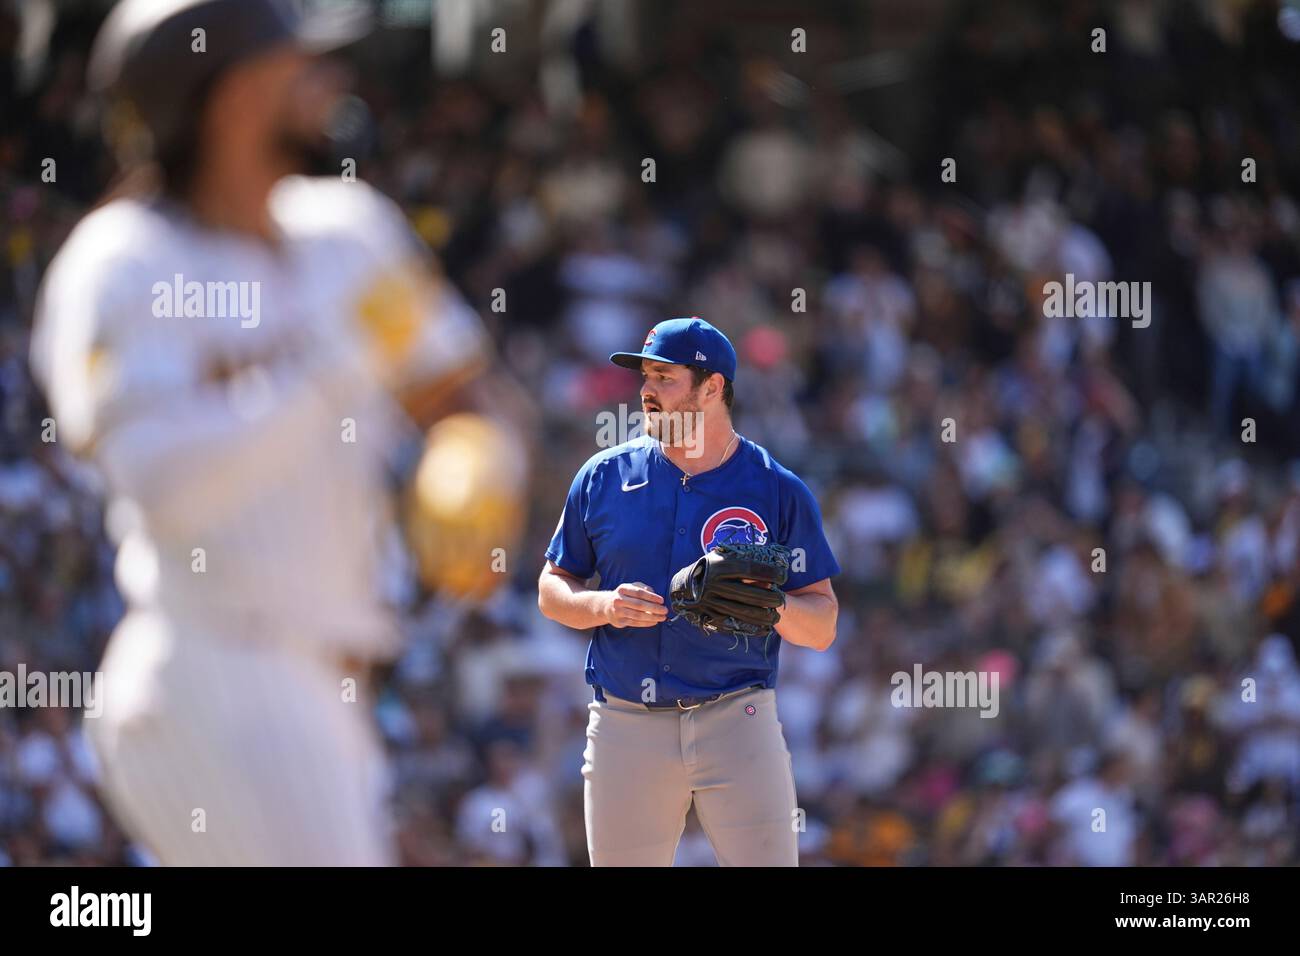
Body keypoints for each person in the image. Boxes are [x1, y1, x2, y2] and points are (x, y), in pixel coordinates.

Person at [29, 0, 513, 865]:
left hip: (324, 685)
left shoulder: (347, 233)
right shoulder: (121, 264)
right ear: (233, 96)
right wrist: (324, 370)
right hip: (219, 669)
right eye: (297, 62)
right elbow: (165, 488)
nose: (324, 80)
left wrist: (474, 456)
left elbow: (460, 395)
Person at [537, 316, 840, 866]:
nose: (647, 391)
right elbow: (551, 589)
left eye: (665, 377)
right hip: (627, 722)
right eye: (645, 377)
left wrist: (769, 605)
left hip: (737, 718)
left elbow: (821, 626)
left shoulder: (775, 489)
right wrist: (603, 605)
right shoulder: (603, 477)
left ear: (713, 387)